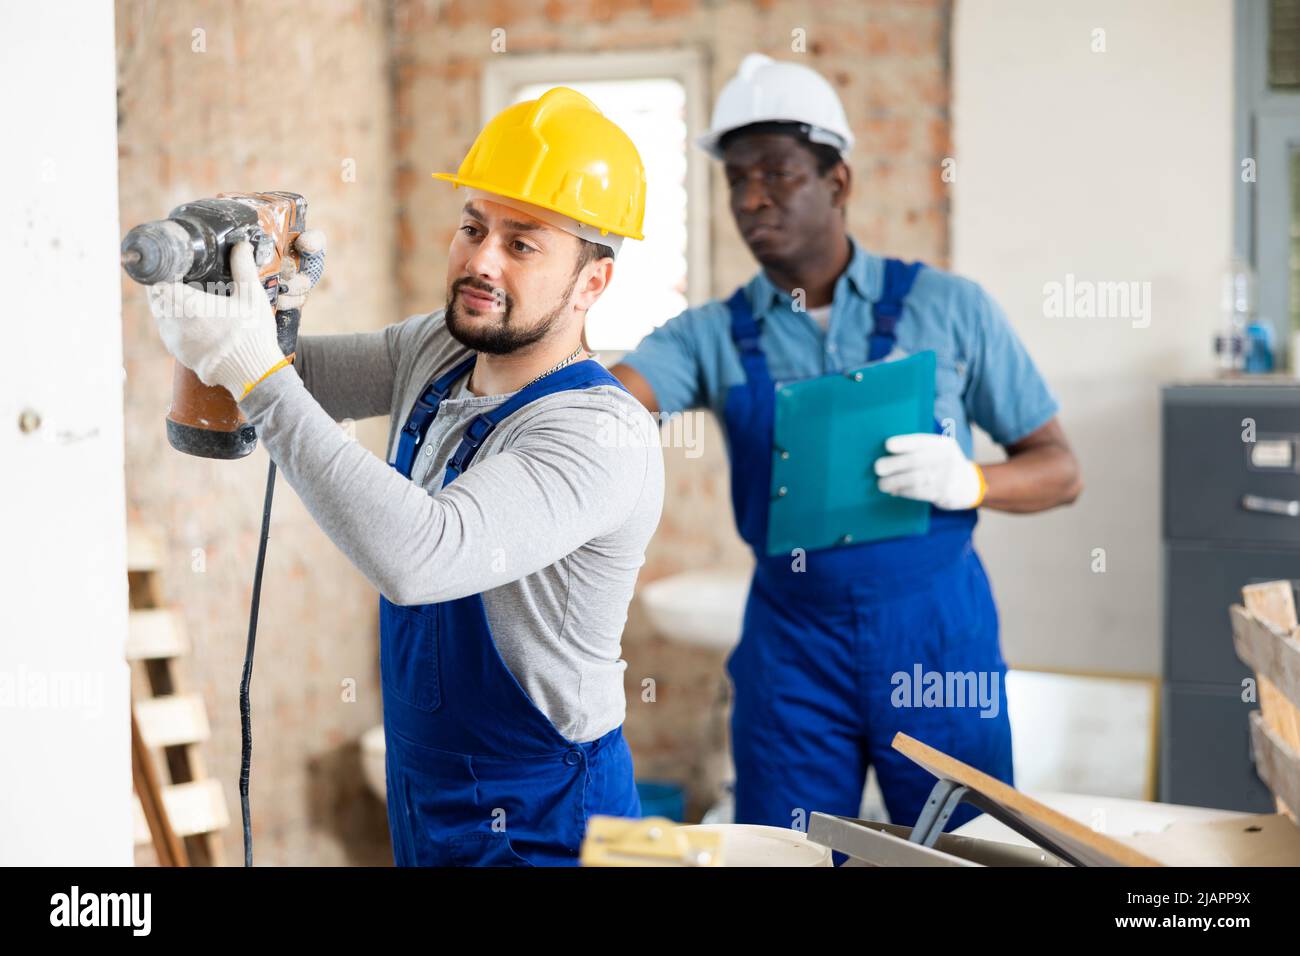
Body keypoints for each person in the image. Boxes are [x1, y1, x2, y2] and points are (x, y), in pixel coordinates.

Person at [149, 87, 664, 866]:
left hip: (544, 817)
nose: (481, 261)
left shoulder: (600, 434)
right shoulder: (442, 349)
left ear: (592, 283)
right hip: (426, 788)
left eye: (523, 244)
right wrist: (254, 315)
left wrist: (256, 366)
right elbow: (301, 376)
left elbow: (422, 556)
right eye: (473, 227)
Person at [612, 54, 1082, 834]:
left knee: (965, 852)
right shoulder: (709, 336)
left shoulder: (950, 308)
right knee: (784, 852)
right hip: (792, 650)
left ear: (839, 182)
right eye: (735, 179)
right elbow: (613, 405)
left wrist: (973, 482)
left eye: (777, 173)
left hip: (937, 640)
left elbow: (1060, 469)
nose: (752, 197)